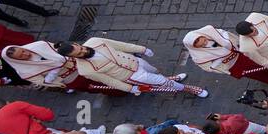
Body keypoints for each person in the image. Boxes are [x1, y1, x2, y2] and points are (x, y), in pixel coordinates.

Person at [58, 37, 208, 97]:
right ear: (74, 57)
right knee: (162, 83)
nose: (84, 51)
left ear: (77, 44)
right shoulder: (85, 70)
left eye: (81, 48)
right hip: (133, 77)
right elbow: (109, 81)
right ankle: (188, 89)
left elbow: (120, 45)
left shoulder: (95, 41)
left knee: (156, 72)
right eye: (79, 54)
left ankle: (169, 79)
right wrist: (129, 88)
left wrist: (141, 49)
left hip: (135, 61)